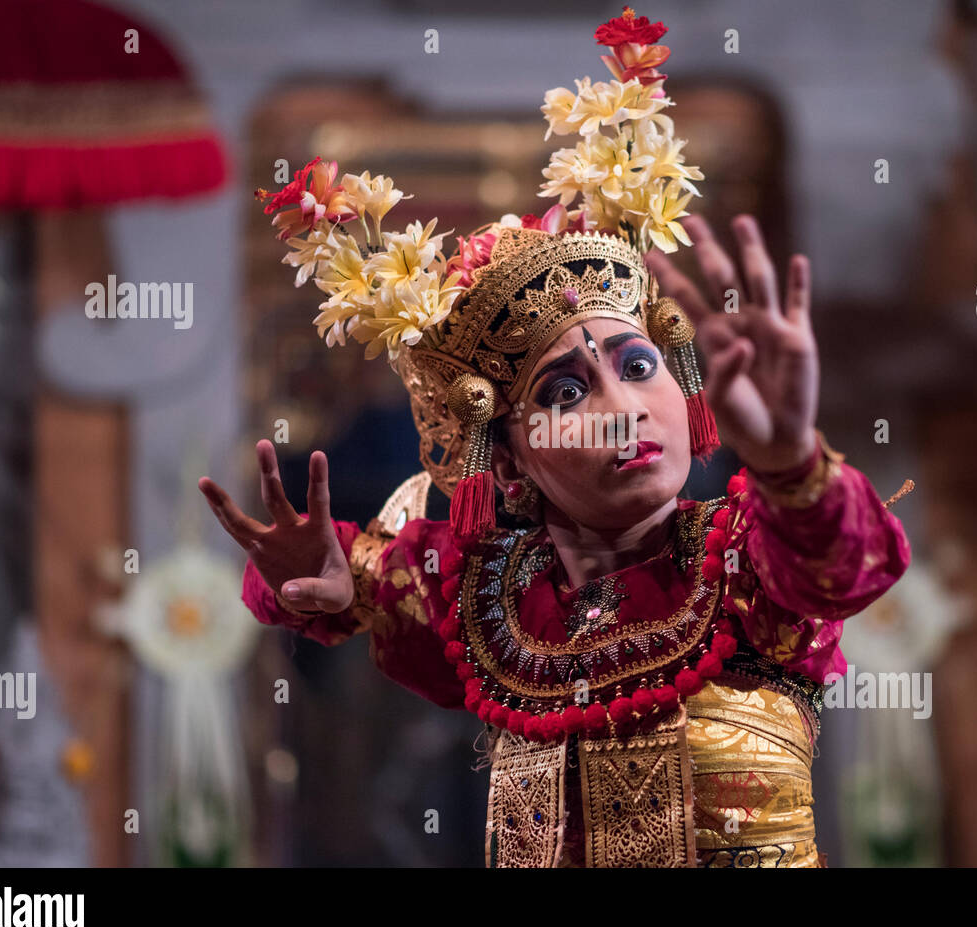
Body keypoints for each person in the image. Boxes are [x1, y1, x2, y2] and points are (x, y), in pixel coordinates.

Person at [200, 7, 913, 867]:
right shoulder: (482, 600)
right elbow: (350, 580)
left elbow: (852, 560)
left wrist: (792, 460)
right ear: (506, 457)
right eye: (567, 389)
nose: (621, 403)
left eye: (640, 363)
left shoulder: (744, 563)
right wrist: (319, 580)